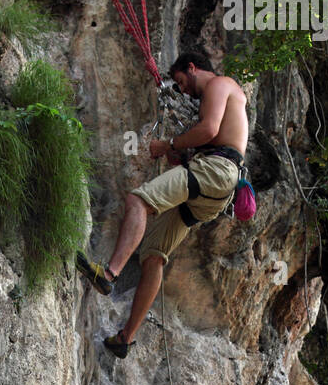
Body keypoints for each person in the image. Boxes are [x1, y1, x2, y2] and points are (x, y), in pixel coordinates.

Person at [76, 52, 249, 356]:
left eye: (181, 81)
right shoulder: (224, 95)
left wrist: (167, 145)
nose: (182, 90)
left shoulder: (220, 84)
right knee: (153, 255)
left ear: (192, 68)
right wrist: (182, 154)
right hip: (218, 189)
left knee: (138, 200)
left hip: (216, 171)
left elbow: (209, 129)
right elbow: (215, 136)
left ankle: (108, 275)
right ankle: (126, 338)